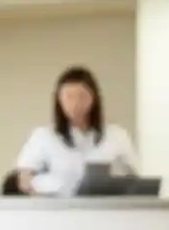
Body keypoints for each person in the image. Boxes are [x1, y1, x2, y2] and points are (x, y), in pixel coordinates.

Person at [14, 66, 138, 196]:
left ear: (94, 98)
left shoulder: (117, 135)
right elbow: (24, 180)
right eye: (69, 97)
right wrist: (54, 185)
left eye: (82, 96)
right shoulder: (42, 136)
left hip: (108, 209)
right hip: (60, 209)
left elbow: (136, 176)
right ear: (59, 101)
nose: (75, 103)